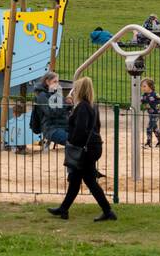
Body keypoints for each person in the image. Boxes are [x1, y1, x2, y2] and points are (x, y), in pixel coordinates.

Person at [48, 77, 117, 221]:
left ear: (79, 90)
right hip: (93, 146)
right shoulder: (92, 106)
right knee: (76, 179)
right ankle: (64, 209)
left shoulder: (82, 107)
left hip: (85, 148)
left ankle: (108, 211)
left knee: (87, 180)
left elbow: (80, 130)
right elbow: (96, 127)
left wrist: (71, 142)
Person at [33, 72, 69, 147]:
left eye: (58, 82)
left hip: (64, 125)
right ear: (47, 82)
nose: (57, 84)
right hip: (51, 128)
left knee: (81, 137)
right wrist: (62, 101)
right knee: (71, 140)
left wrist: (68, 104)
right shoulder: (42, 95)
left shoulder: (54, 93)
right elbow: (51, 112)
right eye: (55, 81)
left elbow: (61, 109)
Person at [140, 77, 160, 148]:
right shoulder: (144, 96)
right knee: (155, 128)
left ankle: (149, 143)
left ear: (150, 86)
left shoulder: (155, 94)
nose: (143, 88)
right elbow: (139, 102)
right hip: (150, 114)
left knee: (149, 128)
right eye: (141, 86)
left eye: (144, 86)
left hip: (156, 114)